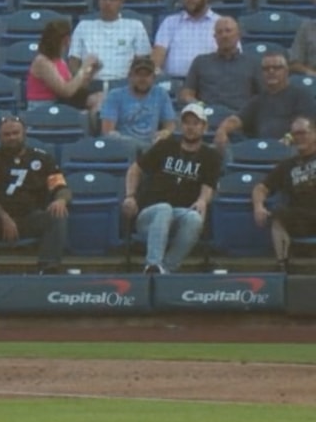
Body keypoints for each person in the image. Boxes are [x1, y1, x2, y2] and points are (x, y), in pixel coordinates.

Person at [123, 102, 223, 274]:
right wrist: (130, 195)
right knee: (164, 208)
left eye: (195, 123)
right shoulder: (164, 146)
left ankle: (164, 270)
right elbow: (135, 169)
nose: (190, 127)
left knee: (194, 219)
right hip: (150, 216)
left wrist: (202, 201)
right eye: (187, 123)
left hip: (180, 216)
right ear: (180, 125)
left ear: (204, 127)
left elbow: (208, 186)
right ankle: (152, 263)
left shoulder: (210, 156)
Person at [0, 116, 71, 275]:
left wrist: (61, 200)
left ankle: (49, 267)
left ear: (25, 133)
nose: (11, 138)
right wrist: (5, 218)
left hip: (30, 217)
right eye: (6, 135)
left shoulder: (42, 158)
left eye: (15, 133)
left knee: (57, 214)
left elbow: (62, 188)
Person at [253, 115, 316, 271]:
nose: (299, 138)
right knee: (278, 214)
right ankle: (282, 266)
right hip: (301, 217)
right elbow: (261, 188)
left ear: (314, 134)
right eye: (295, 134)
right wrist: (258, 206)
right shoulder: (287, 165)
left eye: (303, 133)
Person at [215, 53, 316, 148]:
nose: (271, 71)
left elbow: (307, 126)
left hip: (292, 150)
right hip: (262, 149)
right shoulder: (258, 100)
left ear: (286, 71)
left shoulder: (302, 96)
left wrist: (289, 138)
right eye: (266, 69)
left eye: (276, 68)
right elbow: (236, 119)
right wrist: (222, 130)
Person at [70, 0, 155, 91]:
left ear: (121, 2)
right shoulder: (84, 26)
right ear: (98, 1)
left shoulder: (135, 26)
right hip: (90, 85)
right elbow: (73, 61)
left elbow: (142, 61)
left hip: (124, 85)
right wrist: (81, 84)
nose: (107, 3)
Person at [100, 55, 178, 153]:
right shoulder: (115, 95)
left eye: (147, 75)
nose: (143, 79)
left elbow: (170, 125)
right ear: (130, 76)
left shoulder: (161, 94)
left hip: (152, 148)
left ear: (153, 77)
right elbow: (107, 131)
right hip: (123, 148)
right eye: (139, 74)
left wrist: (165, 133)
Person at [182, 16, 261, 111]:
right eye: (220, 32)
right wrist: (199, 106)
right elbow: (187, 93)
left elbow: (263, 96)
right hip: (206, 117)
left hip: (240, 119)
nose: (224, 35)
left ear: (238, 35)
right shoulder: (201, 62)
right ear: (215, 37)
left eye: (228, 31)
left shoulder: (253, 63)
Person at [28, 19, 104, 113]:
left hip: (60, 103)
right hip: (44, 107)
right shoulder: (42, 61)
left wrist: (91, 71)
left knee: (100, 98)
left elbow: (74, 87)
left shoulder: (60, 61)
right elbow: (66, 91)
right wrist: (84, 67)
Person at [153, 0, 220, 79]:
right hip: (175, 83)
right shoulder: (170, 22)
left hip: (210, 84)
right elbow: (158, 55)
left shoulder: (221, 23)